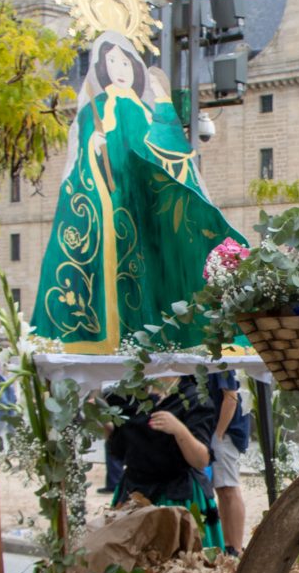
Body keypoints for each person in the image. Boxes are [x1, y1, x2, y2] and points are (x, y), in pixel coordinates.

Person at [32, 30, 244, 353]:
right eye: (112, 62)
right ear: (102, 68)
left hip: (145, 213)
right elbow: (80, 161)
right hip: (108, 207)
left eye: (125, 62)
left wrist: (164, 109)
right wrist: (93, 146)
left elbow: (170, 158)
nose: (120, 69)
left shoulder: (147, 113)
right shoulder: (95, 110)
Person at [104, 378, 223, 549]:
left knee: (181, 559)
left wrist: (179, 429)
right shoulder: (127, 395)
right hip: (133, 492)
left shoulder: (192, 398)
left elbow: (200, 461)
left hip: (178, 496)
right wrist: (103, 423)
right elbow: (121, 451)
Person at [207, 370, 251, 556]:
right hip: (224, 431)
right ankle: (229, 545)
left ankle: (236, 547)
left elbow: (231, 398)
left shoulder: (222, 361)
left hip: (226, 432)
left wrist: (218, 434)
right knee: (223, 489)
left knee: (229, 488)